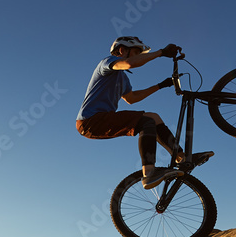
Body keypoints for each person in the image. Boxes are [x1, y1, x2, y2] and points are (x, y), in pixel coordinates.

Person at [76, 36, 211, 189]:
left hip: (101, 119)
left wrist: (161, 85)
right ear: (122, 50)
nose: (139, 58)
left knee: (154, 117)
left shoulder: (123, 79)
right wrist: (161, 52)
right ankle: (149, 173)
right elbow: (129, 63)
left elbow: (132, 98)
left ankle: (181, 157)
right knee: (147, 122)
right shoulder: (106, 63)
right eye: (136, 53)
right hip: (90, 120)